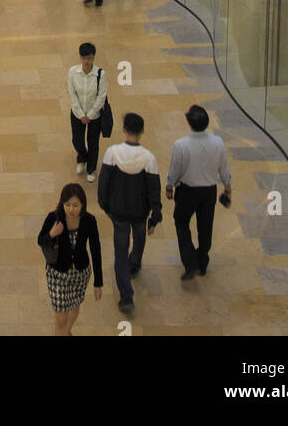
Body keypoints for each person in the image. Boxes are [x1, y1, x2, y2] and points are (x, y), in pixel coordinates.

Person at [98, 112, 162, 311]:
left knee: (120, 250)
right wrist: (155, 214)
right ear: (142, 131)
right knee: (140, 237)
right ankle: (135, 263)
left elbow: (104, 185)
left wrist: (106, 206)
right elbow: (154, 190)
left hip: (118, 212)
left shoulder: (112, 153)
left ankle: (126, 295)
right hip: (140, 213)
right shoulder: (149, 158)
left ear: (123, 129)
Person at [166, 104, 232, 280]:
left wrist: (169, 185)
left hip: (187, 191)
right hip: (209, 192)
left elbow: (175, 170)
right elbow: (224, 170)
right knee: (205, 228)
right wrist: (227, 189)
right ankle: (202, 261)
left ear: (189, 124)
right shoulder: (218, 143)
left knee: (181, 222)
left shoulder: (181, 145)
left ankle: (190, 263)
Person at [37, 184, 103, 336]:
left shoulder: (89, 221)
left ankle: (66, 332)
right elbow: (40, 240)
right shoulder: (54, 218)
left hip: (80, 273)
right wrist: (52, 234)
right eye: (67, 205)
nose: (71, 209)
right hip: (58, 273)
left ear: (82, 205)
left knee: (74, 306)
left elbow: (95, 250)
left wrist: (98, 282)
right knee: (60, 317)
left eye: (75, 205)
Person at [68, 43, 108, 183]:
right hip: (77, 113)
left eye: (89, 58)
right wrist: (80, 114)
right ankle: (82, 157)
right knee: (77, 140)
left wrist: (89, 115)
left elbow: (101, 96)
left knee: (93, 143)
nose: (86, 61)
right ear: (80, 57)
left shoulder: (100, 75)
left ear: (94, 57)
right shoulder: (73, 72)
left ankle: (91, 168)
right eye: (84, 58)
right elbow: (72, 93)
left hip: (94, 116)